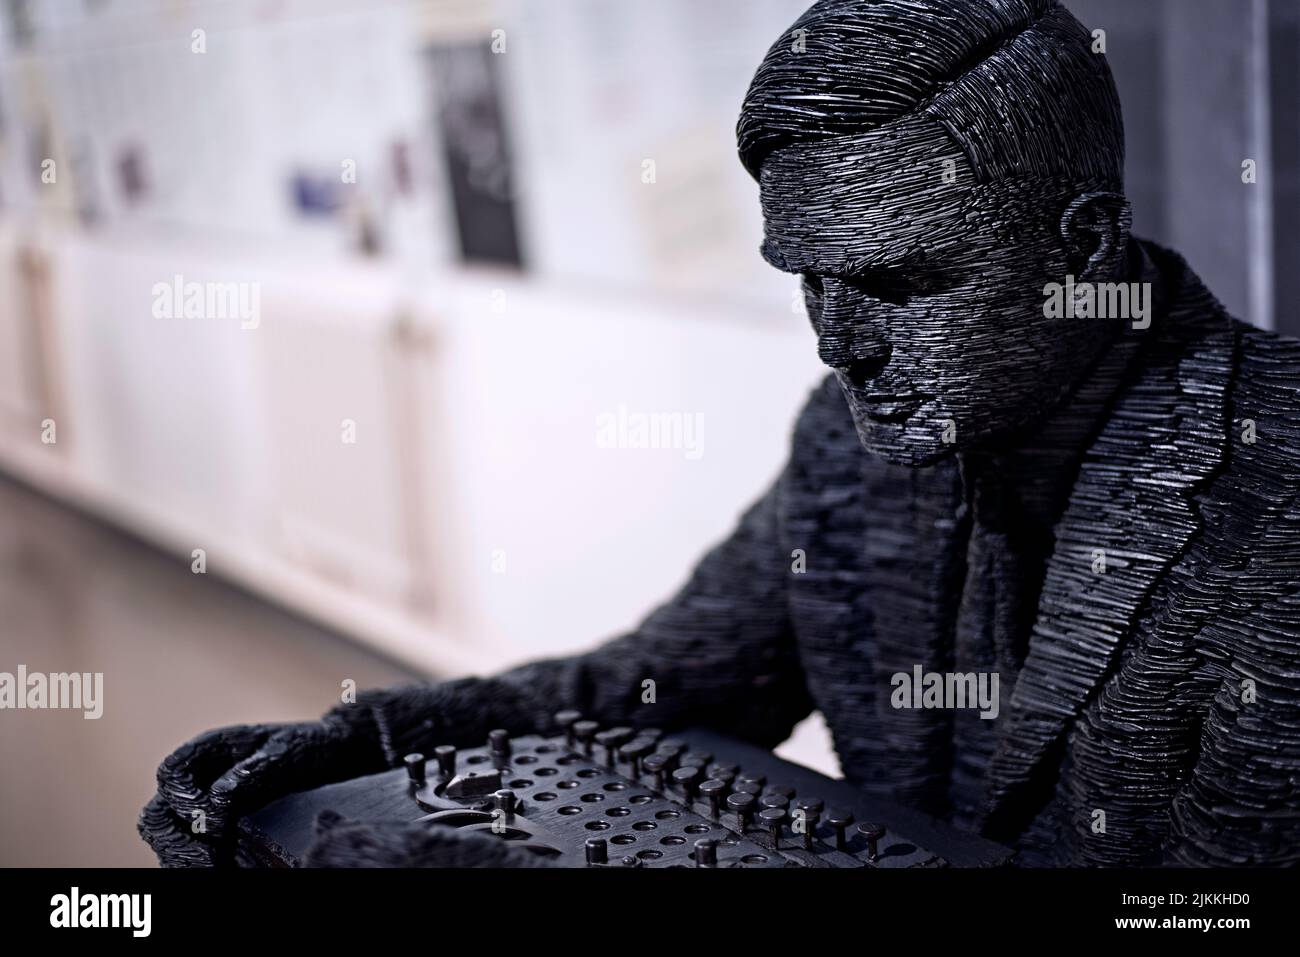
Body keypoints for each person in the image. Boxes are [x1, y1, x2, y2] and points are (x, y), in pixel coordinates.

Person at [141, 0, 1300, 867]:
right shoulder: (851, 448)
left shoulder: (1279, 489)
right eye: (808, 279)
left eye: (898, 282)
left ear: (1083, 250)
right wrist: (368, 737)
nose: (840, 346)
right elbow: (666, 683)